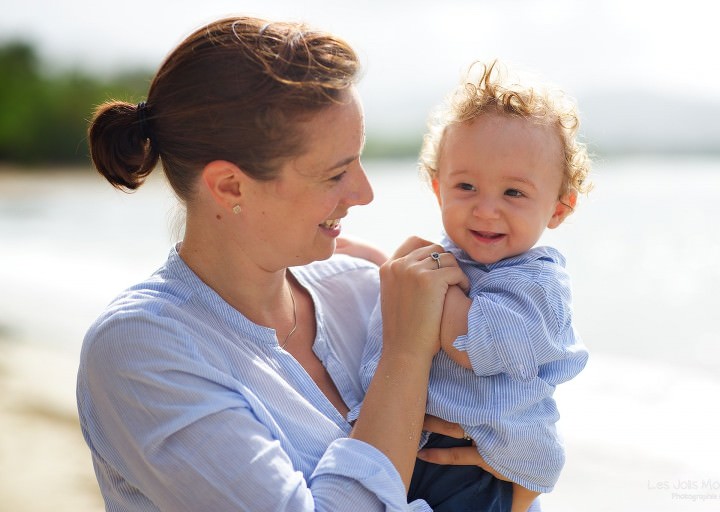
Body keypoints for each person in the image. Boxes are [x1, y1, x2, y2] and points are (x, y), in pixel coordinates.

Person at [76, 16, 491, 512]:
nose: (364, 192)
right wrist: (404, 354)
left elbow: (510, 458)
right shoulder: (139, 349)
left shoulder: (363, 290)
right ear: (230, 186)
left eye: (358, 161)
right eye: (336, 173)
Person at [350, 61, 592, 512]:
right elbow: (404, 280)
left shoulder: (536, 281)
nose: (485, 210)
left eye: (513, 193)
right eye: (466, 186)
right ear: (438, 188)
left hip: (476, 466)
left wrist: (424, 282)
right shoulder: (448, 256)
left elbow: (471, 343)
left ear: (559, 209)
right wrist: (368, 257)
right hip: (412, 440)